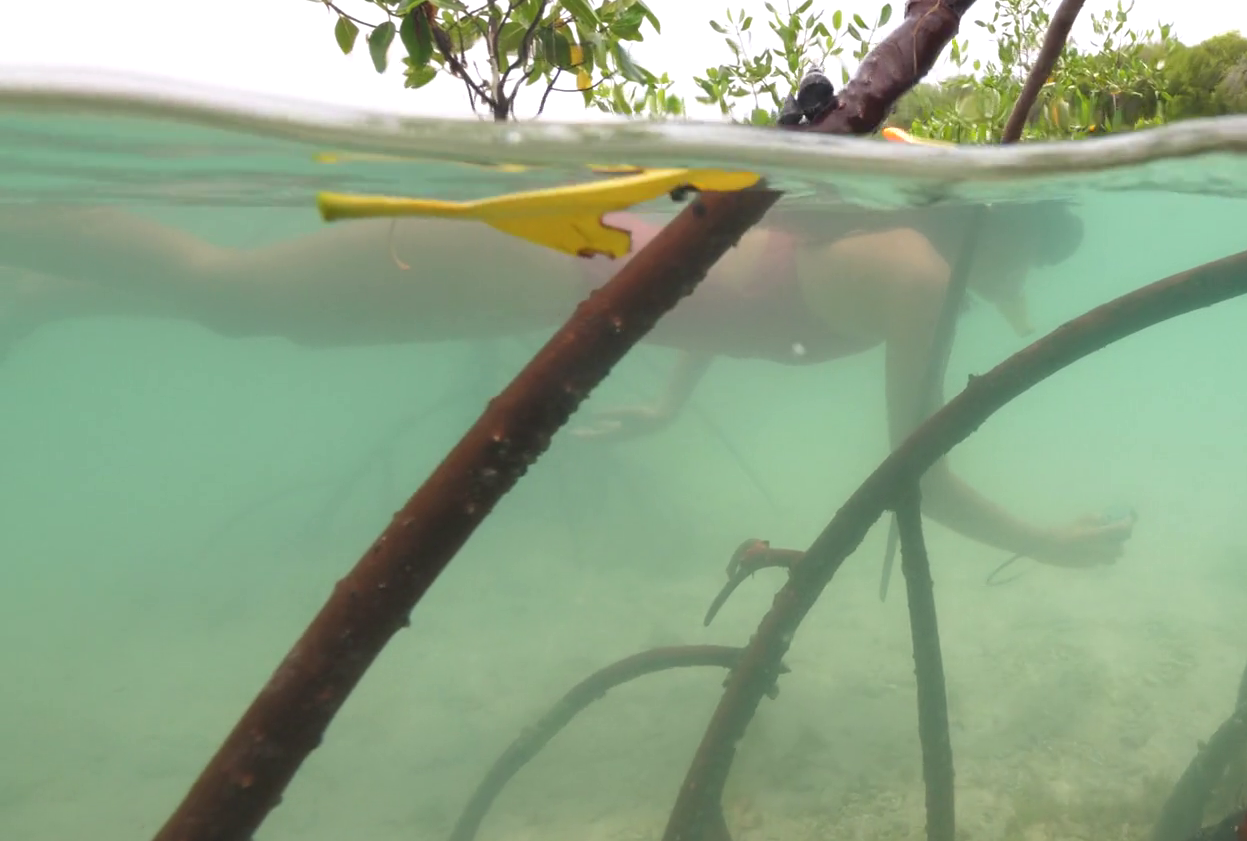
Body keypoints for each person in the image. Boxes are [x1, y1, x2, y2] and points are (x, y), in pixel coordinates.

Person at [0, 196, 1133, 568]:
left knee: (254, 316)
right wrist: (1051, 547)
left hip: (545, 280)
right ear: (1007, 234)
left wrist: (673, 404)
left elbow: (731, 286)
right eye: (1041, 253)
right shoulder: (918, 278)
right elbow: (917, 478)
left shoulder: (888, 243)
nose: (1027, 279)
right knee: (237, 295)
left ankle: (43, 294)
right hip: (538, 264)